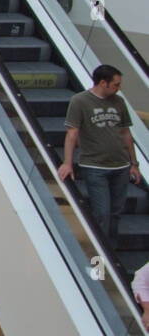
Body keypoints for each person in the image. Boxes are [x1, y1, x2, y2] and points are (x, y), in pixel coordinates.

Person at [57, 65, 140, 229]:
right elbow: (72, 133)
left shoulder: (119, 102)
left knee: (116, 213)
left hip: (121, 166)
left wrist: (134, 164)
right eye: (116, 84)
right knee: (102, 213)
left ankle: (111, 249)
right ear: (103, 83)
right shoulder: (80, 101)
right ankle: (101, 253)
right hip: (95, 166)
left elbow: (126, 133)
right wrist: (67, 163)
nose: (119, 88)